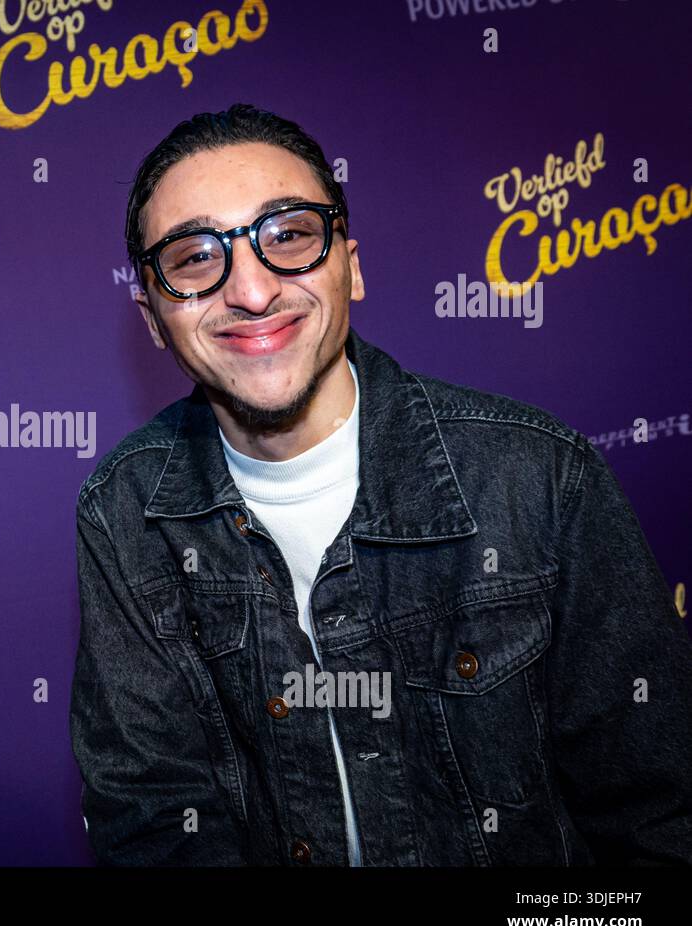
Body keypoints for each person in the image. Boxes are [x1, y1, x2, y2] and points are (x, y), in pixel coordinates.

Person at [68, 103, 692, 866]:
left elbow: (660, 816)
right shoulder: (123, 514)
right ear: (154, 316)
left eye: (289, 235)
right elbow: (153, 819)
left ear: (352, 265)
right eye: (196, 257)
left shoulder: (539, 476)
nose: (253, 291)